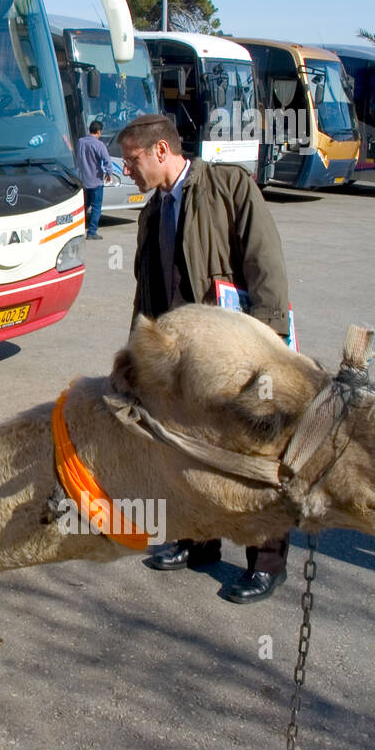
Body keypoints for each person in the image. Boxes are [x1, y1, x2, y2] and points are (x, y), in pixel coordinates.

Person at [118, 113, 293, 604]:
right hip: (180, 362)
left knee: (250, 457)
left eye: (131, 160)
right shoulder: (152, 211)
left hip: (235, 351)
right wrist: (138, 355)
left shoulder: (228, 186)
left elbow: (265, 261)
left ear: (160, 152)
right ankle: (197, 542)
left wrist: (268, 339)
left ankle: (267, 563)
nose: (125, 171)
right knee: (188, 450)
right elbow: (146, 291)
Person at [76, 119, 113, 240]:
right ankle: (92, 232)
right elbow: (107, 160)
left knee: (83, 206)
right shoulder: (98, 144)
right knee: (96, 207)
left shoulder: (80, 142)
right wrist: (109, 173)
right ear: (98, 131)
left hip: (83, 180)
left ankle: (76, 229)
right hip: (96, 181)